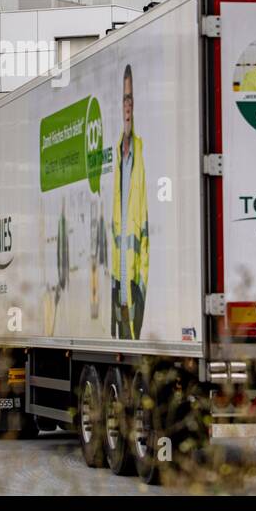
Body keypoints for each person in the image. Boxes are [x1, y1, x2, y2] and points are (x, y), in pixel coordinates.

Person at [111, 64, 148, 339]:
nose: (127, 106)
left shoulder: (141, 153)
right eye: (124, 99)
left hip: (136, 283)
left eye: (131, 99)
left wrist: (143, 285)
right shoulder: (115, 158)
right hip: (118, 283)